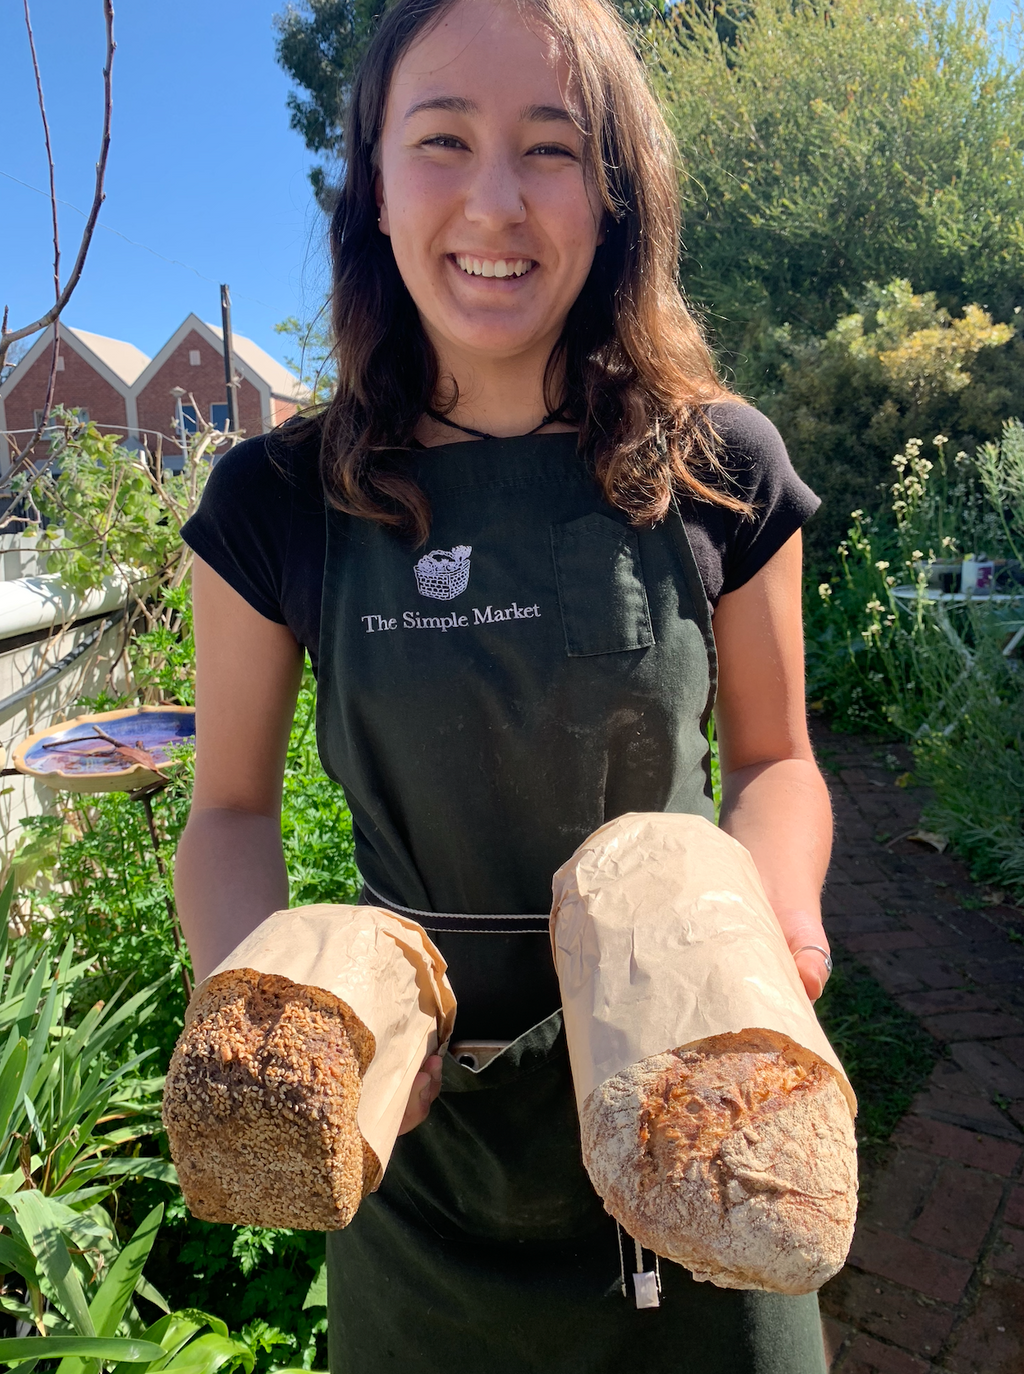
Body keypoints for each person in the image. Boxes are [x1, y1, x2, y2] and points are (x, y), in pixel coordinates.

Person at [176, 0, 835, 1369]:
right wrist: (274, 1028)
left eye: (549, 147)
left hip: (704, 1139)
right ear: (372, 183)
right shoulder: (272, 501)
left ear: (613, 191)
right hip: (419, 1179)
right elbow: (230, 806)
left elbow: (776, 761)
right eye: (443, 141)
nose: (495, 200)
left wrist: (769, 937)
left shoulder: (726, 465)